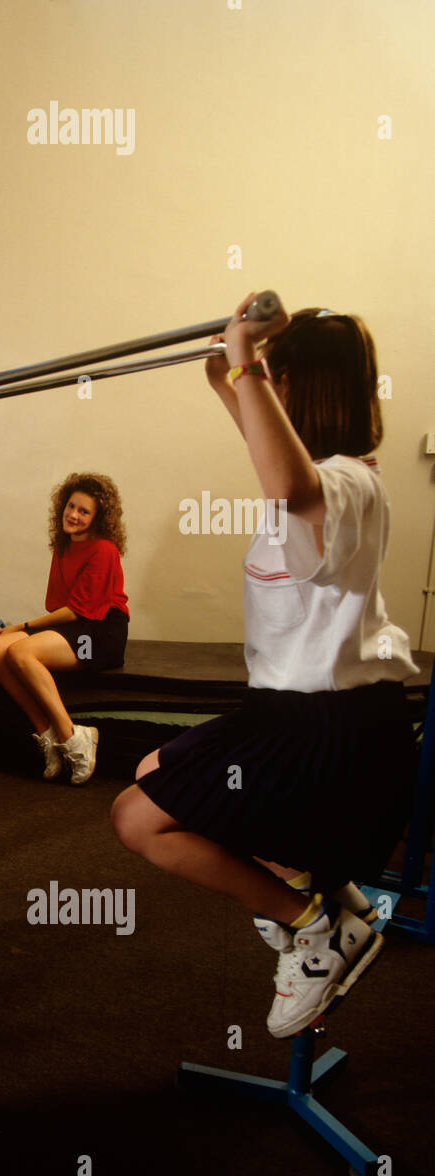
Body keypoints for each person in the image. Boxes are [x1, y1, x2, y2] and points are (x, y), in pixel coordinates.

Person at [111, 296, 417, 1038]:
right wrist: (226, 373)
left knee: (140, 821)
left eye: (273, 382)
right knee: (155, 767)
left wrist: (245, 362)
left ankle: (312, 928)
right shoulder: (323, 476)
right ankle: (333, 904)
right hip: (291, 715)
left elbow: (286, 485)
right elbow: (273, 456)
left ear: (300, 387)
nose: (263, 399)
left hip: (331, 730)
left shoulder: (344, 483)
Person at [0, 474, 129, 784]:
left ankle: (74, 736)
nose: (73, 515)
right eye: (71, 506)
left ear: (98, 517)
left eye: (84, 511)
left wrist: (20, 627)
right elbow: (60, 607)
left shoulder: (104, 550)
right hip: (74, 624)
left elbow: (79, 609)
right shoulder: (63, 547)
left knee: (21, 651)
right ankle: (46, 734)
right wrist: (17, 631)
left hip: (101, 631)